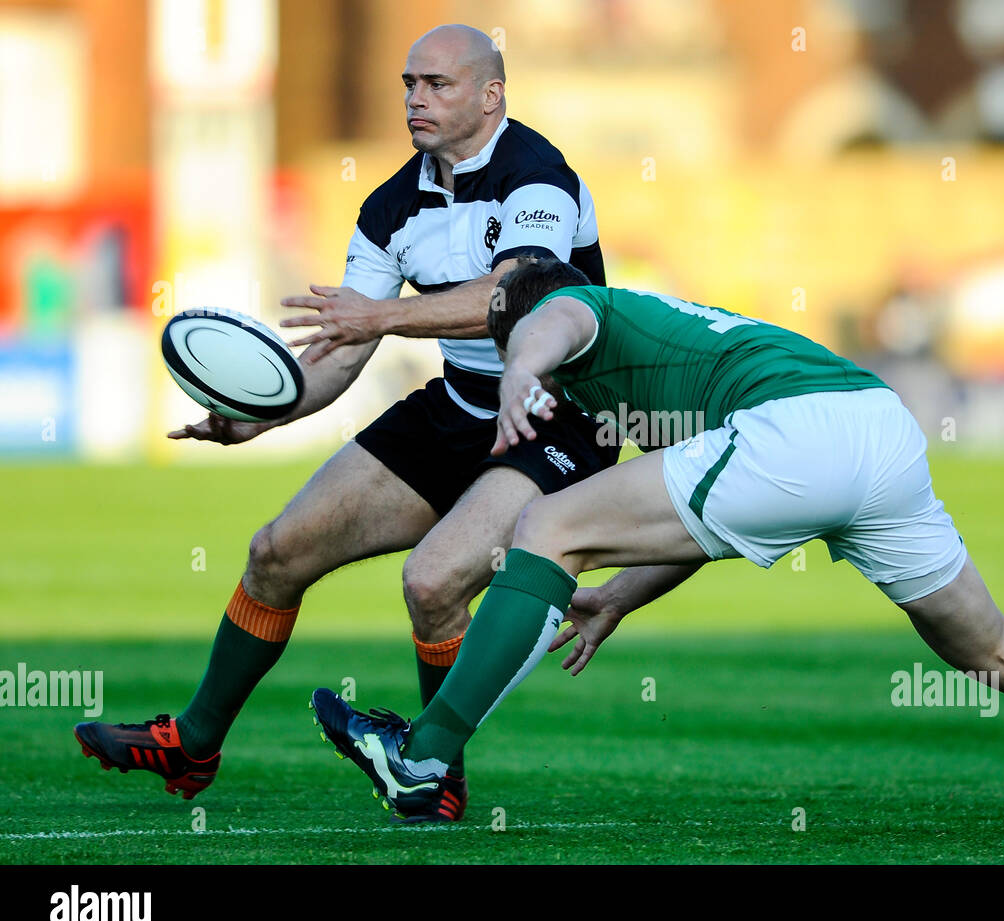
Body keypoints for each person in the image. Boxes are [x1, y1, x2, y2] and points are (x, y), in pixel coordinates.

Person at [312, 257, 1004, 851]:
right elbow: (715, 515)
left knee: (544, 528)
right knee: (992, 645)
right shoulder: (664, 358)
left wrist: (519, 366)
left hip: (796, 436)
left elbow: (557, 319)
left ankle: (425, 758)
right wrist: (620, 597)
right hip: (877, 432)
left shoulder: (578, 312)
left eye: (497, 330)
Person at [74, 26, 617, 824]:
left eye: (436, 84)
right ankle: (192, 741)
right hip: (463, 403)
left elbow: (517, 295)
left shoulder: (537, 176)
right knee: (275, 551)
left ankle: (432, 773)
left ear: (491, 95)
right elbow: (342, 349)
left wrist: (382, 316)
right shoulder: (390, 204)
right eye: (408, 84)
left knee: (433, 583)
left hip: (561, 418)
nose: (414, 100)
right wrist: (260, 416)